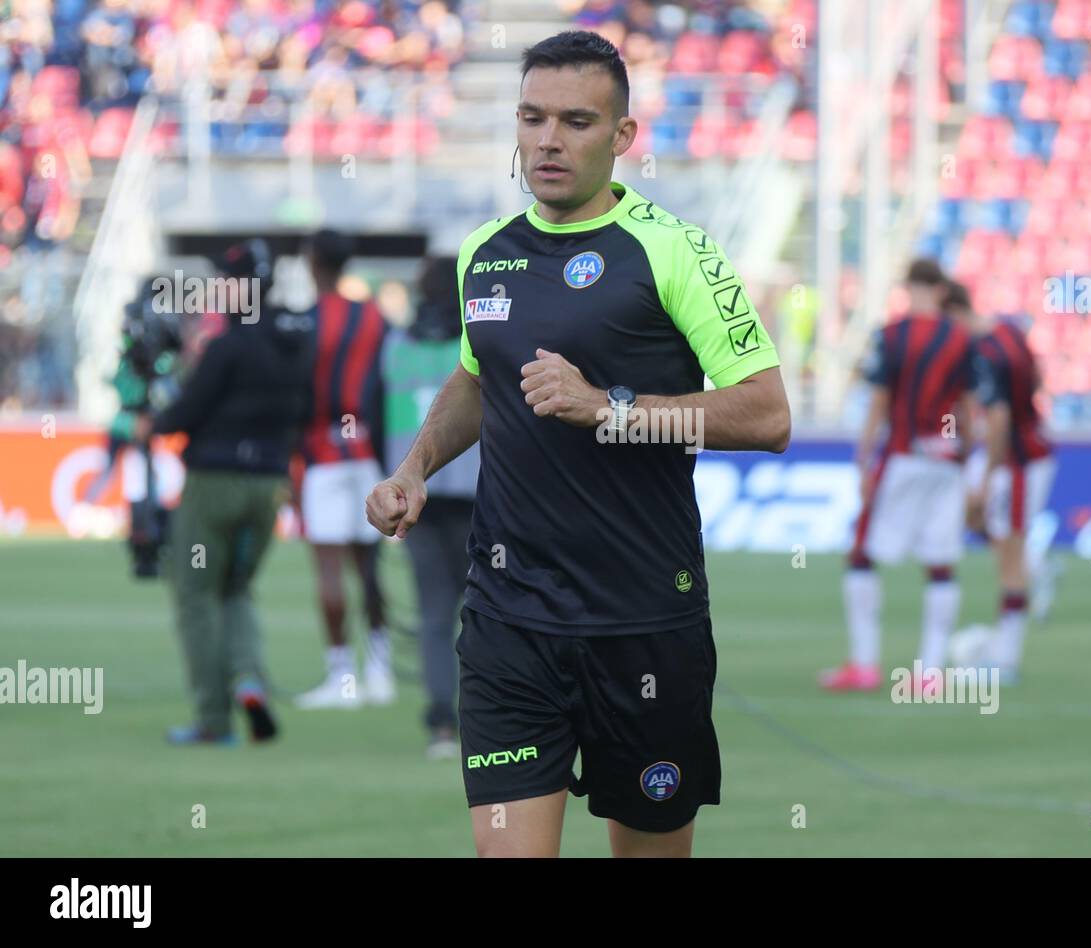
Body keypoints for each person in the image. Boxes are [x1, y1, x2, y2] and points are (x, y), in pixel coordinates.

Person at [365, 30, 790, 857]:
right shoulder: (484, 256)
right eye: (532, 118)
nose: (548, 140)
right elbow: (478, 379)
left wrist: (612, 409)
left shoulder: (677, 251)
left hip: (643, 619)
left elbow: (767, 414)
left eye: (576, 121)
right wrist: (414, 468)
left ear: (623, 136)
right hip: (506, 620)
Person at [134, 239, 314, 744]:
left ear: (242, 287)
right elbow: (305, 410)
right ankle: (250, 678)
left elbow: (186, 412)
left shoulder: (227, 346)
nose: (215, 289)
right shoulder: (297, 339)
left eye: (223, 280)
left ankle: (213, 718)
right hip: (269, 483)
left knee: (195, 593)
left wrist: (155, 422)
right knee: (237, 587)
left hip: (214, 481)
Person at [821, 259, 977, 694]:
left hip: (904, 455)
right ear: (942, 289)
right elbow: (967, 408)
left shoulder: (892, 335)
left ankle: (865, 664)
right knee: (941, 563)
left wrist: (863, 459)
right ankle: (929, 672)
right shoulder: (960, 338)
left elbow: (879, 402)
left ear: (909, 286)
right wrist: (965, 452)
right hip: (946, 460)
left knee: (861, 556)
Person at [380, 256, 479, 759]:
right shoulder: (477, 344)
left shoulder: (396, 345)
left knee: (435, 615)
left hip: (417, 496)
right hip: (482, 496)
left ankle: (441, 724)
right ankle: (492, 723)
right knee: (488, 616)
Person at [295, 229, 394, 711]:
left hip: (321, 453)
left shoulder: (305, 321)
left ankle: (342, 678)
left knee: (329, 566)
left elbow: (293, 394)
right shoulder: (375, 317)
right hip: (368, 452)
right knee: (370, 566)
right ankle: (380, 671)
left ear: (313, 262)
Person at [951, 281, 1056, 681]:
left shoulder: (984, 352)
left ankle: (1004, 661)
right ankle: (1037, 570)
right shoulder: (1009, 331)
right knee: (989, 531)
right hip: (1026, 452)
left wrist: (987, 479)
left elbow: (998, 419)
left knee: (1009, 557)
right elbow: (1036, 381)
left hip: (1019, 461)